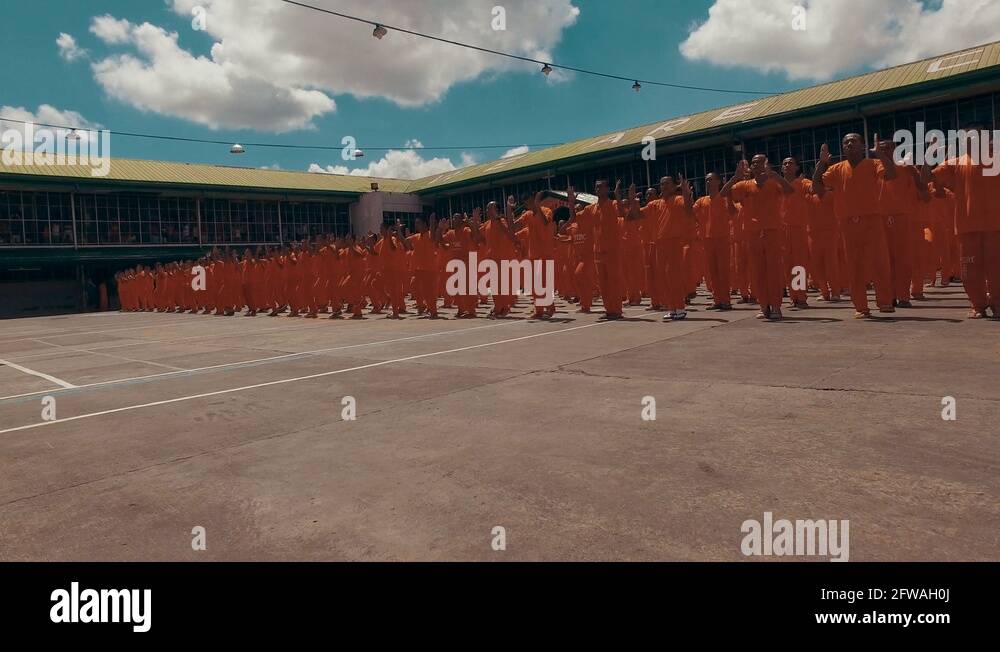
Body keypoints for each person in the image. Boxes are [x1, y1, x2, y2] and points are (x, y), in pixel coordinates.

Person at [812, 133, 898, 318]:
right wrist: (821, 164)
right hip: (847, 222)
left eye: (853, 141)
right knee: (854, 265)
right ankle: (861, 307)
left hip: (872, 219)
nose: (849, 144)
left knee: (879, 262)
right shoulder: (836, 169)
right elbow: (817, 188)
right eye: (845, 142)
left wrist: (880, 154)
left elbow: (891, 174)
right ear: (842, 148)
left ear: (863, 145)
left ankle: (884, 302)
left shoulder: (873, 164)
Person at [922, 124, 1000, 319]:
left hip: (995, 225)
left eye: (976, 136)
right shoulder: (954, 163)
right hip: (967, 226)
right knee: (970, 271)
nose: (971, 140)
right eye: (966, 137)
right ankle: (978, 306)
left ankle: (998, 304)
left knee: (996, 268)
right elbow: (925, 178)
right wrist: (930, 153)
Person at [722, 155, 794, 320]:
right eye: (753, 163)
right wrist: (735, 177)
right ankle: (764, 306)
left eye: (759, 162)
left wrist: (774, 174)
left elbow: (790, 190)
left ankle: (776, 306)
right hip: (752, 233)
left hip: (772, 231)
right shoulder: (744, 185)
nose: (755, 165)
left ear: (766, 164)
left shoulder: (774, 182)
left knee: (773, 272)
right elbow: (724, 193)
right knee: (758, 272)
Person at [694, 172, 736, 310]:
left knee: (723, 271)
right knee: (712, 272)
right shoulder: (701, 201)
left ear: (718, 182)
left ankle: (726, 300)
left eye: (711, 179)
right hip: (707, 239)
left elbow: (733, 212)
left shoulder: (724, 197)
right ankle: (717, 299)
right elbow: (690, 213)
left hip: (722, 237)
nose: (708, 182)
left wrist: (730, 191)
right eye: (706, 180)